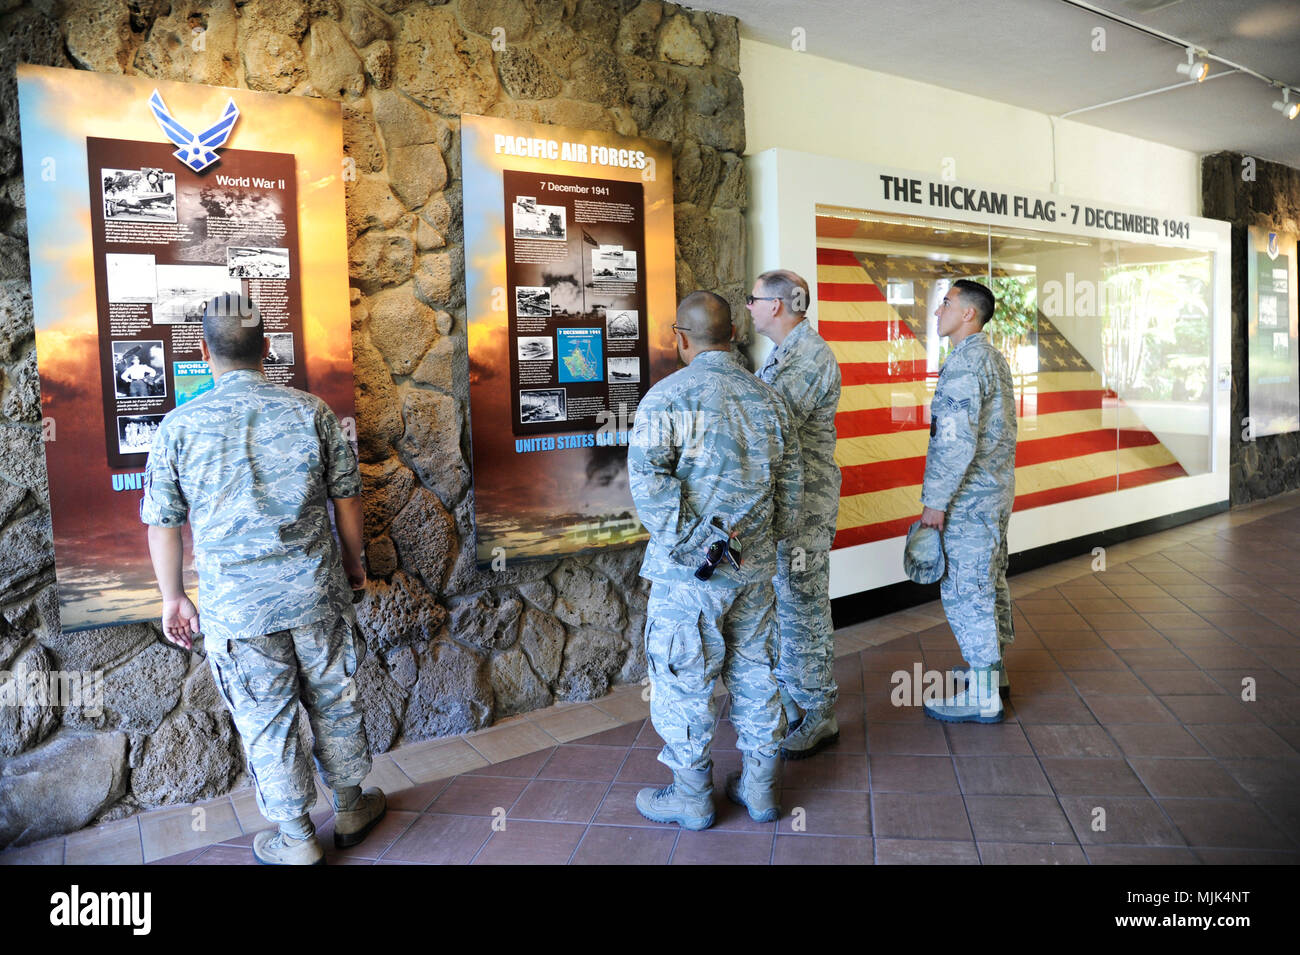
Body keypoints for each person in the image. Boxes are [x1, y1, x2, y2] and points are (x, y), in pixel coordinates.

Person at [141, 292, 384, 865]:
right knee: (336, 699)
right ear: (268, 348)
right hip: (316, 593)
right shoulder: (313, 412)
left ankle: (297, 838)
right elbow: (348, 500)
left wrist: (173, 597)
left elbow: (163, 525)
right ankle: (349, 805)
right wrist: (353, 564)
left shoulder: (177, 428)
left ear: (202, 352)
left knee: (265, 719)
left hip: (239, 610)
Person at [628, 290, 803, 829]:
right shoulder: (770, 400)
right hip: (754, 575)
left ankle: (692, 796)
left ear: (681, 338)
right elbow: (792, 492)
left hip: (691, 580)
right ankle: (761, 789)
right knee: (757, 674)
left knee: (683, 680)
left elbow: (647, 479)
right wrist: (758, 543)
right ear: (733, 335)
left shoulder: (668, 397)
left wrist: (697, 543)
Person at [746, 269, 843, 759]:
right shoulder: (786, 352)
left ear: (779, 305)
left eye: (754, 299)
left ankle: (818, 712)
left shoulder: (807, 356)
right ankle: (795, 694)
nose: (749, 307)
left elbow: (773, 428)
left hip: (804, 507)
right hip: (790, 505)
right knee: (789, 603)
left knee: (804, 607)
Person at [918, 279, 1017, 723]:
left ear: (968, 315)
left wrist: (934, 503)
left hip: (968, 500)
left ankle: (982, 696)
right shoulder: (991, 357)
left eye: (947, 303)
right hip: (992, 495)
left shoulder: (963, 366)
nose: (939, 310)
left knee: (967, 590)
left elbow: (954, 445)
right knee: (989, 582)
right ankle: (992, 675)